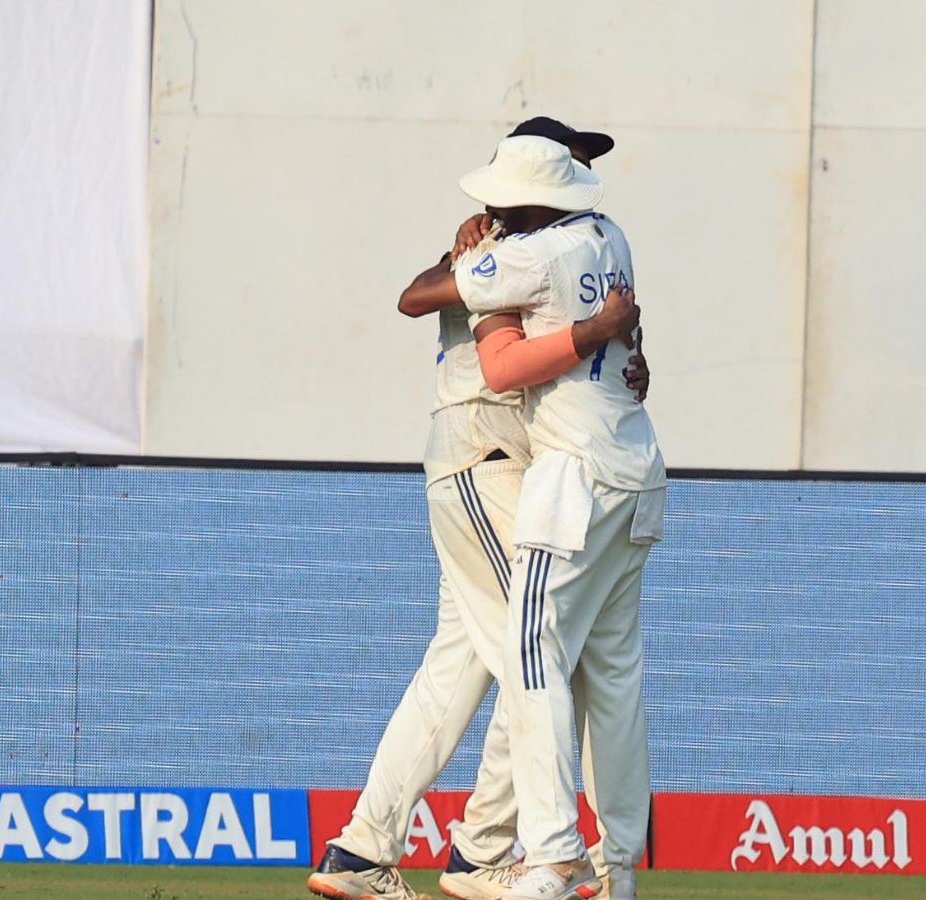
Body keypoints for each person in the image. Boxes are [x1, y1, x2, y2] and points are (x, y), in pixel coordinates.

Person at [308, 120, 647, 900]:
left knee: (461, 667)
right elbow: (419, 299)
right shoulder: (498, 244)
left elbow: (606, 326)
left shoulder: (564, 244)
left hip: (501, 461)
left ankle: (364, 850)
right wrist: (464, 251)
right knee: (538, 655)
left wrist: (627, 353)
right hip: (482, 456)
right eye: (574, 160)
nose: (585, 176)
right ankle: (502, 853)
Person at [397, 133, 663, 900]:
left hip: (573, 473)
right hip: (638, 469)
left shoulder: (529, 254)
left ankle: (549, 852)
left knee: (531, 651)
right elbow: (632, 340)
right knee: (612, 677)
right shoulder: (612, 238)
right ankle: (619, 870)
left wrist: (469, 251)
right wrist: (612, 337)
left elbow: (428, 309)